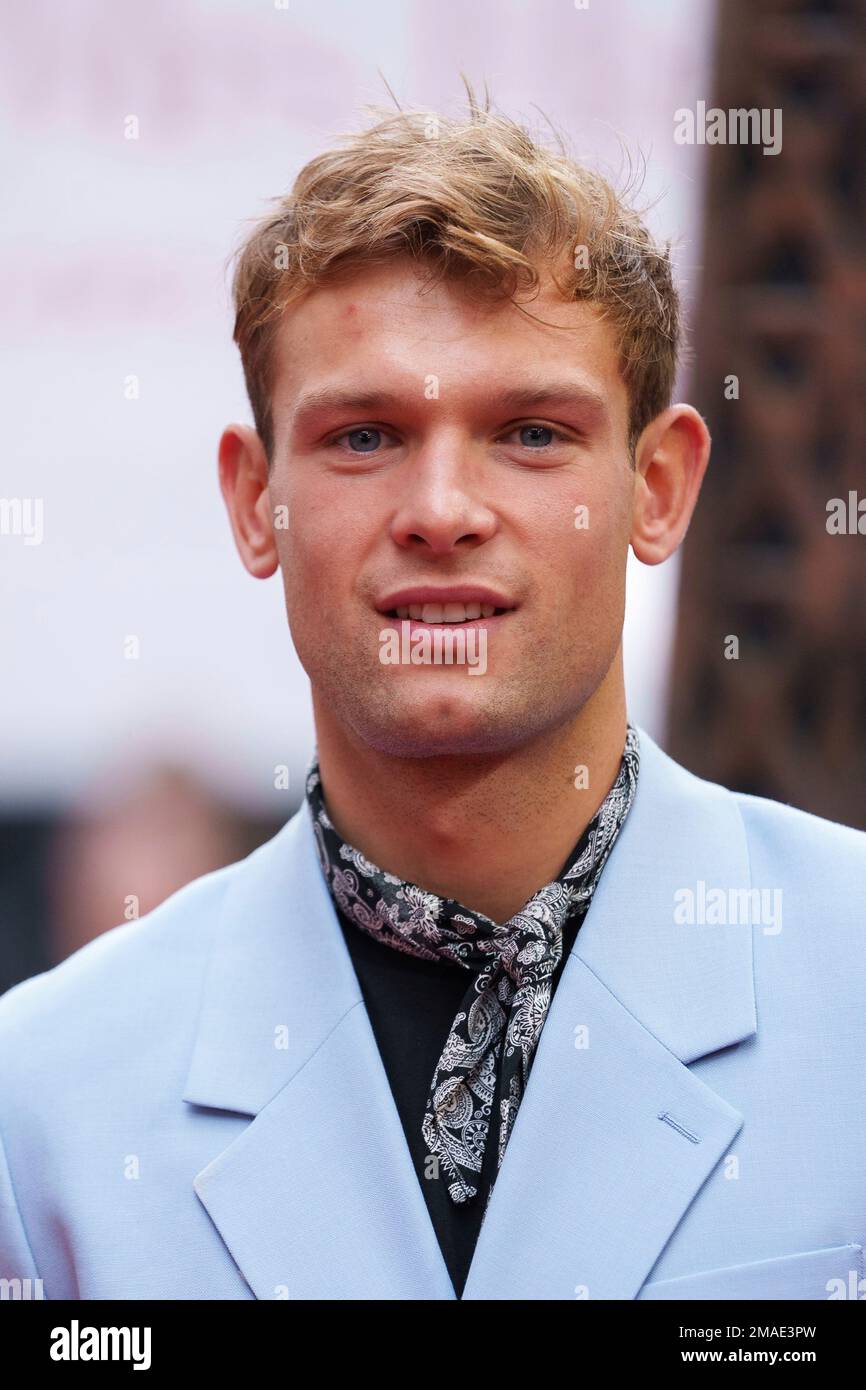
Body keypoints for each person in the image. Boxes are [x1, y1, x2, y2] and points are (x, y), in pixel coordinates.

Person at [1, 94, 863, 1302]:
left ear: (657, 488)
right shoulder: (43, 1101)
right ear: (256, 502)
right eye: (362, 438)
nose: (441, 509)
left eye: (527, 431)